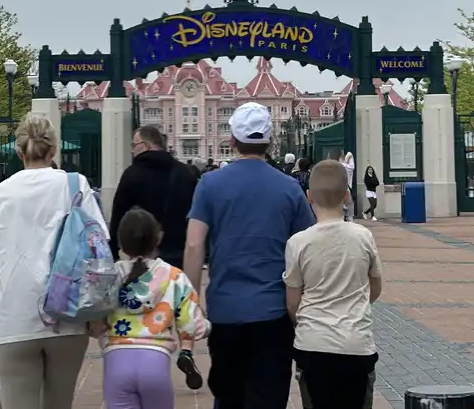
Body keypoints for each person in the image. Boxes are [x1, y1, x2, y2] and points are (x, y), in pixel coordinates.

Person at [184, 102, 316, 409]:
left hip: (224, 309)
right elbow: (308, 247)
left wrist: (191, 304)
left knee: (228, 397)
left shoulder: (209, 184)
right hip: (274, 311)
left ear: (232, 140)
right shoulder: (289, 188)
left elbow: (193, 245)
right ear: (269, 142)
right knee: (269, 397)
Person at [0, 112, 108, 409]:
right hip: (67, 316)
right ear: (54, 149)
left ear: (19, 150)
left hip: (14, 318)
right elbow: (98, 248)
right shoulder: (76, 185)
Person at [284, 160, 382, 409]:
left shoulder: (298, 242)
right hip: (356, 343)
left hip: (313, 342)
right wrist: (356, 304)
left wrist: (303, 320)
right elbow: (375, 287)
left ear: (309, 196)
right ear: (347, 196)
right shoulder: (363, 236)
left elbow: (293, 301)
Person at [99, 207, 209, 409]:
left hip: (115, 361)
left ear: (121, 243)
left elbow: (94, 314)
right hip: (156, 361)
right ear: (158, 238)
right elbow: (193, 325)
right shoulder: (174, 276)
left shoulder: (109, 276)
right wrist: (204, 327)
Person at [109, 125, 197, 269]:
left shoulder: (132, 174)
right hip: (179, 252)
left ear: (146, 145)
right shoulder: (185, 173)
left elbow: (119, 214)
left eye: (134, 145)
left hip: (143, 255)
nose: (132, 150)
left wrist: (114, 250)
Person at [340, 152, 355, 222]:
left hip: (340, 192)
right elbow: (350, 154)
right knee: (350, 215)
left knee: (341, 215)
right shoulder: (350, 168)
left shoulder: (338, 167)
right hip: (348, 192)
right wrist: (346, 161)